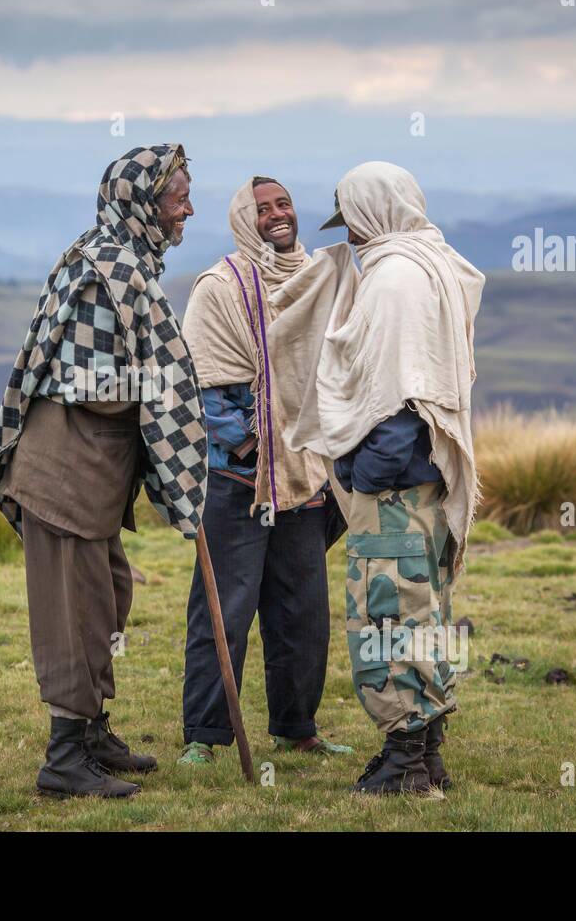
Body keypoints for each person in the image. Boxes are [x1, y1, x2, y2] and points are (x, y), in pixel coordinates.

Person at [0, 144, 208, 799]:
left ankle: (92, 732)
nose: (188, 208)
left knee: (108, 596)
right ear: (142, 201)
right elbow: (78, 378)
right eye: (177, 197)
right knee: (73, 612)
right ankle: (63, 759)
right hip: (65, 472)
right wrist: (161, 383)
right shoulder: (101, 270)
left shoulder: (129, 263)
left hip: (95, 476)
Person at [301, 160, 486, 794]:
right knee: (422, 613)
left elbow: (397, 392)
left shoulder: (394, 279)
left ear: (373, 211)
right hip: (426, 483)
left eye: (351, 221)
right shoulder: (431, 264)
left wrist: (361, 471)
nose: (349, 236)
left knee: (387, 616)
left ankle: (407, 760)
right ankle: (423, 752)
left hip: (395, 487)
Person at [176, 176, 354, 767]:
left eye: (283, 204)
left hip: (307, 478)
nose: (277, 214)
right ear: (241, 219)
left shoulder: (319, 280)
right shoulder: (219, 288)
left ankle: (296, 726)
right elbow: (200, 389)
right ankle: (204, 737)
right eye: (262, 208)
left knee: (302, 611)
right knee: (224, 611)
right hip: (238, 482)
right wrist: (254, 445)